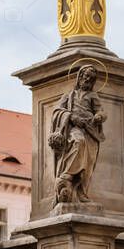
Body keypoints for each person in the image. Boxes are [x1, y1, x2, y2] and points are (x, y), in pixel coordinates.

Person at [49, 64, 106, 205]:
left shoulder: (93, 96)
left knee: (89, 163)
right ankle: (67, 174)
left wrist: (99, 116)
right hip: (74, 127)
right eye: (86, 76)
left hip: (90, 129)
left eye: (91, 78)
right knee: (78, 142)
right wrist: (71, 117)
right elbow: (57, 111)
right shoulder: (69, 95)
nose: (87, 80)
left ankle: (82, 192)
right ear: (80, 76)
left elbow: (101, 111)